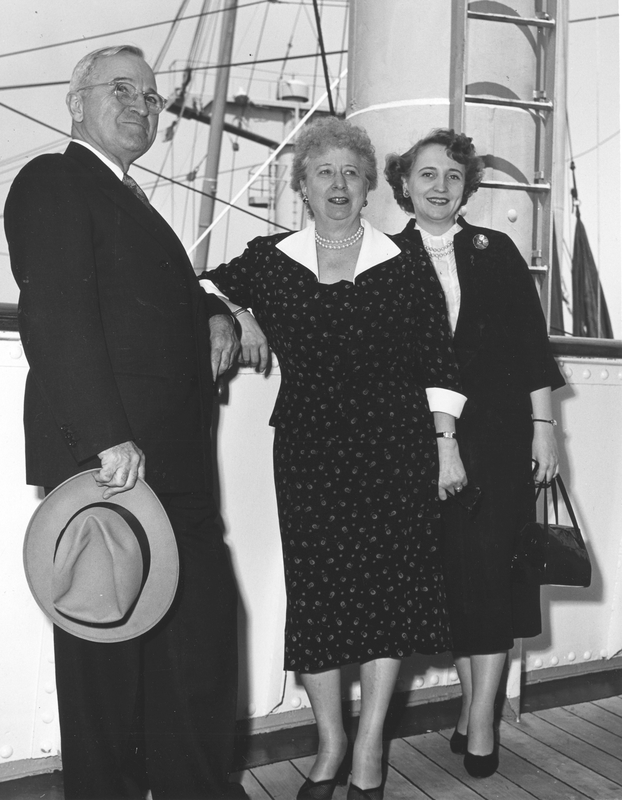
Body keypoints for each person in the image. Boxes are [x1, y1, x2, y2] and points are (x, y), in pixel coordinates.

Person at [4, 45, 248, 800]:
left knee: (195, 651)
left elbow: (155, 293)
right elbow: (56, 317)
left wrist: (217, 310)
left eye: (152, 96)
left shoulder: (131, 200)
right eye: (122, 90)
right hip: (112, 464)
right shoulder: (53, 180)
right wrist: (107, 435)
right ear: (76, 101)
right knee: (105, 663)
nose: (142, 105)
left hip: (173, 469)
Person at [201, 117, 467, 800]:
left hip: (396, 445)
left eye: (352, 172)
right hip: (311, 448)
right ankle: (331, 743)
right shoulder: (269, 257)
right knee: (317, 596)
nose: (339, 185)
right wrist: (239, 313)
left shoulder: (403, 264)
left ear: (371, 186)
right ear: (302, 185)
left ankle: (372, 745)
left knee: (385, 597)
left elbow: (439, 357)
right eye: (325, 172)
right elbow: (197, 284)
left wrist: (445, 446)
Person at [385, 128, 565, 779]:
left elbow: (529, 346)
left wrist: (544, 426)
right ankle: (471, 708)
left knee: (491, 577)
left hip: (495, 438)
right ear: (403, 183)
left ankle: (483, 717)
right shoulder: (382, 256)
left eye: (451, 177)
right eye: (426, 174)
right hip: (415, 445)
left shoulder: (497, 252)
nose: (438, 187)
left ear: (467, 188)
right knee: (451, 581)